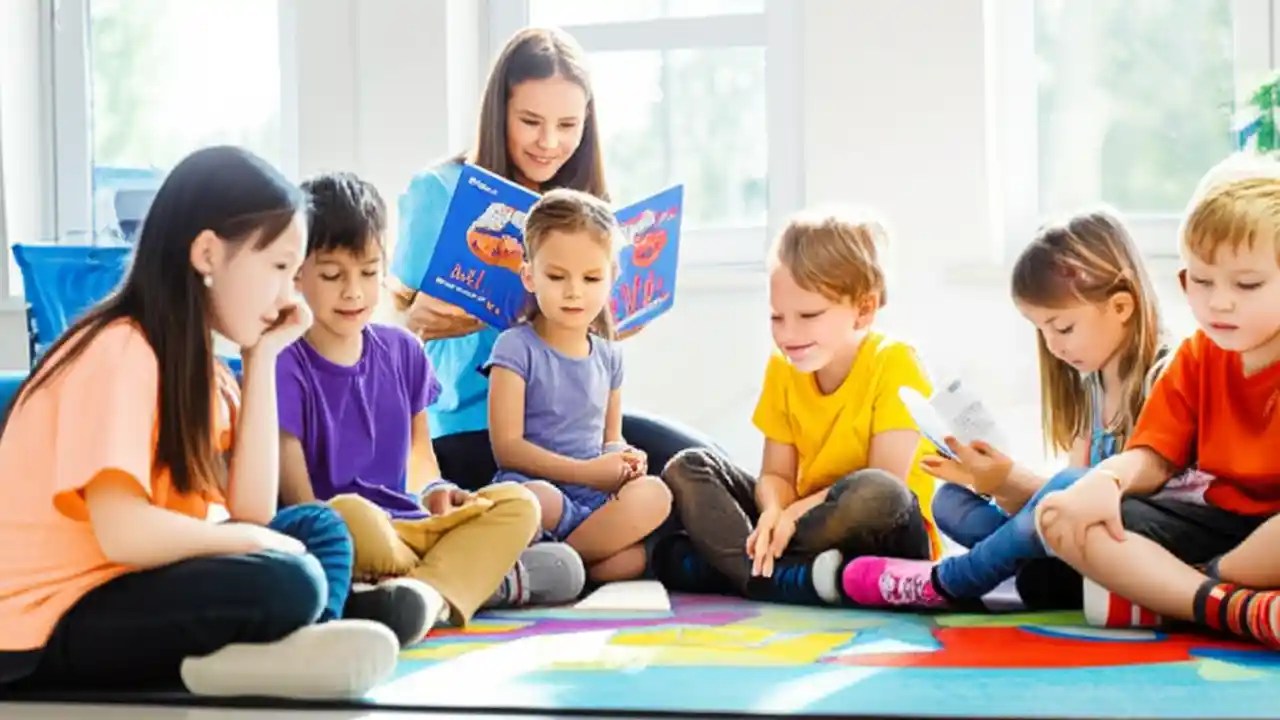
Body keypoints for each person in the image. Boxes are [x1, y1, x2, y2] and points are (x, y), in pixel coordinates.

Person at [0, 146, 397, 700]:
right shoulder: (121, 350)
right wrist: (250, 541)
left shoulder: (207, 372)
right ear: (208, 253)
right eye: (281, 268)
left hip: (131, 586)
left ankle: (296, 641)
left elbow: (251, 511)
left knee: (316, 529)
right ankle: (287, 641)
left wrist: (263, 359)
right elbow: (124, 533)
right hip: (49, 620)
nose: (291, 296)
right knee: (288, 575)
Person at [387, 26, 718, 492]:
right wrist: (413, 322)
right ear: (499, 112)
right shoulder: (437, 192)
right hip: (473, 428)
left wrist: (613, 316)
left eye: (567, 126)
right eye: (530, 121)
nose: (548, 142)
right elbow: (380, 325)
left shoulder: (587, 208)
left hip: (574, 427)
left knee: (696, 462)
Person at [277, 173, 587, 641]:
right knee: (346, 514)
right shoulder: (285, 363)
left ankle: (417, 594)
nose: (354, 292)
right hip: (351, 533)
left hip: (412, 526)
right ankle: (471, 583)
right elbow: (303, 504)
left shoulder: (403, 350)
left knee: (520, 504)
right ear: (297, 273)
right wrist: (339, 529)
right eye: (332, 275)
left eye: (368, 272)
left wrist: (437, 492)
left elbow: (420, 457)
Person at [841, 209, 1169, 608]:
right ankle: (1028, 569)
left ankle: (950, 580)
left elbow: (1092, 494)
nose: (1052, 346)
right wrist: (996, 481)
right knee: (950, 503)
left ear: (1121, 307)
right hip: (1078, 534)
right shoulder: (1093, 387)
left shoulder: (1163, 377)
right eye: (1041, 330)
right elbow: (1058, 503)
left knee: (1064, 500)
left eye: (1062, 328)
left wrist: (1012, 481)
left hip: (1135, 540)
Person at [1035, 166, 1280, 650]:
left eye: (1246, 285)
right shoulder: (1196, 355)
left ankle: (1176, 589)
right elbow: (1154, 455)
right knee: (1059, 516)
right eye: (1202, 282)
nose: (1219, 304)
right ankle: (1230, 606)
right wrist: (1106, 481)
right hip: (1213, 522)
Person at [653, 208, 937, 606]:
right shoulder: (783, 368)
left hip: (878, 527)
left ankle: (730, 565)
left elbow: (887, 478)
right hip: (801, 522)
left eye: (808, 315)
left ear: (864, 308)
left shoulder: (896, 363)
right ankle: (782, 576)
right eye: (777, 317)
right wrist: (772, 511)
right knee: (688, 466)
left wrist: (789, 517)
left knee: (876, 491)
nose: (789, 334)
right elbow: (776, 473)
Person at [485, 189, 672, 583]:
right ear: (529, 276)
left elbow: (611, 437)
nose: (574, 291)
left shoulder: (610, 355)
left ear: (611, 279)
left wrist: (625, 459)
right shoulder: (515, 347)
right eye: (556, 276)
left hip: (592, 502)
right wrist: (587, 472)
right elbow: (507, 449)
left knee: (655, 498)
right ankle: (565, 566)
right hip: (539, 491)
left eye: (591, 278)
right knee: (534, 500)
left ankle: (559, 564)